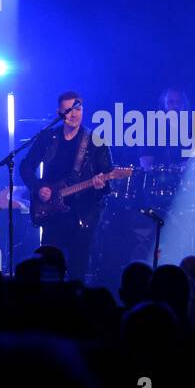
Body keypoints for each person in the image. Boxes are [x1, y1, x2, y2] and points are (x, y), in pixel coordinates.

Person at [20, 90, 115, 285]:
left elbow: (108, 180)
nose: (74, 114)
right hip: (51, 213)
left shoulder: (95, 141)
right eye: (68, 110)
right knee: (48, 268)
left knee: (77, 270)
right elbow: (26, 166)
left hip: (82, 215)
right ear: (59, 114)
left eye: (77, 109)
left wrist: (100, 183)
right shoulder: (48, 138)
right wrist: (38, 187)